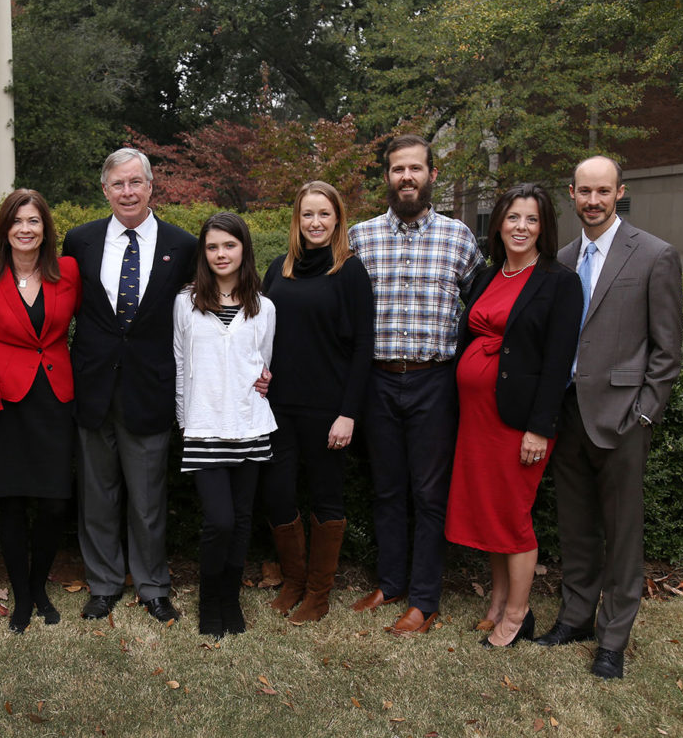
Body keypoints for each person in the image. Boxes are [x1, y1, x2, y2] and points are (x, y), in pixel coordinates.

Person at [535, 156, 683, 680]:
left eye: (604, 191)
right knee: (575, 527)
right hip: (568, 413)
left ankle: (613, 638)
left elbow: (667, 351)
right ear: (571, 193)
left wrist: (645, 414)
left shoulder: (654, 255)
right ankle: (576, 617)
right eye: (584, 192)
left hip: (623, 417)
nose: (593, 201)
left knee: (622, 534)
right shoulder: (562, 255)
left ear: (620, 191)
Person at [348, 134, 485, 635]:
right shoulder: (359, 239)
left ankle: (424, 600)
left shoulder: (459, 238)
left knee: (429, 494)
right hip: (378, 381)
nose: (407, 177)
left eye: (416, 169)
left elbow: (482, 307)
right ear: (386, 177)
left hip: (434, 382)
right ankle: (390, 582)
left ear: (431, 175)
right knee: (386, 489)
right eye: (398, 169)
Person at [61, 148, 197, 623]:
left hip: (150, 387)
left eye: (136, 182)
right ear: (104, 189)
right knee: (97, 496)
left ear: (151, 186)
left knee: (147, 498)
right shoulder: (79, 241)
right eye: (118, 184)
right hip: (93, 384)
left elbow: (194, 317)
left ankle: (153, 585)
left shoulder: (182, 245)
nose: (127, 192)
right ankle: (102, 584)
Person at [443, 184, 582, 648]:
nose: (521, 227)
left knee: (513, 516)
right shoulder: (485, 276)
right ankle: (498, 601)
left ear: (544, 227)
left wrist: (540, 428)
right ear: (498, 223)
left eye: (532, 219)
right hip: (476, 416)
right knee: (490, 512)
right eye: (513, 218)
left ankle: (519, 614)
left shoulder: (558, 281)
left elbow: (558, 361)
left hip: (518, 422)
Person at [0, 189, 82, 634]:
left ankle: (39, 587)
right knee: (12, 503)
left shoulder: (68, 271)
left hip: (55, 397)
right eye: (17, 221)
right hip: (7, 400)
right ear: (5, 229)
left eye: (33, 221)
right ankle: (21, 597)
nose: (25, 229)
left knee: (55, 503)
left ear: (45, 229)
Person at [261, 181, 373, 623]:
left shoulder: (349, 271)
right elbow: (261, 334)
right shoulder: (278, 270)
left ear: (338, 219)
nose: (316, 223)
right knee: (277, 493)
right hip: (278, 407)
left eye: (324, 214)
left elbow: (364, 347)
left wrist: (348, 413)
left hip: (329, 409)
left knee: (326, 498)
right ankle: (292, 581)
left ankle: (319, 593)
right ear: (297, 220)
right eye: (308, 214)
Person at [174, 212, 277, 638]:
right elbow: (180, 363)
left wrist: (266, 380)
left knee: (241, 519)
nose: (221, 254)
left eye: (229, 245)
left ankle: (230, 601)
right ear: (204, 252)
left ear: (243, 250)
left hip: (250, 424)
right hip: (203, 425)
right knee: (218, 520)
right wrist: (185, 420)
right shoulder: (186, 302)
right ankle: (208, 601)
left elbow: (263, 364)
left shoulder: (264, 306)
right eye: (213, 246)